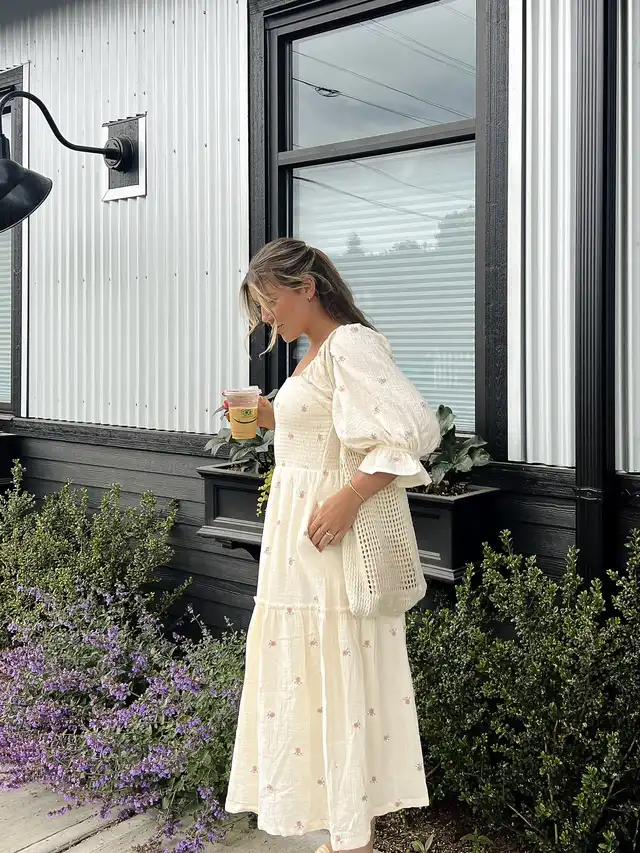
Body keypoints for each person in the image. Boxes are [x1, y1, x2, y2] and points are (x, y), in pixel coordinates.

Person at [225, 238, 441, 853]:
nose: (266, 316)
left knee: (336, 668)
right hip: (298, 541)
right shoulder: (316, 353)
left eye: (270, 301)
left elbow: (414, 431)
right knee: (310, 676)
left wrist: (349, 497)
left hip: (330, 537)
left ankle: (354, 840)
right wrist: (269, 416)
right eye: (260, 306)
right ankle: (346, 832)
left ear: (307, 287)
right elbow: (325, 426)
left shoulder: (349, 343)